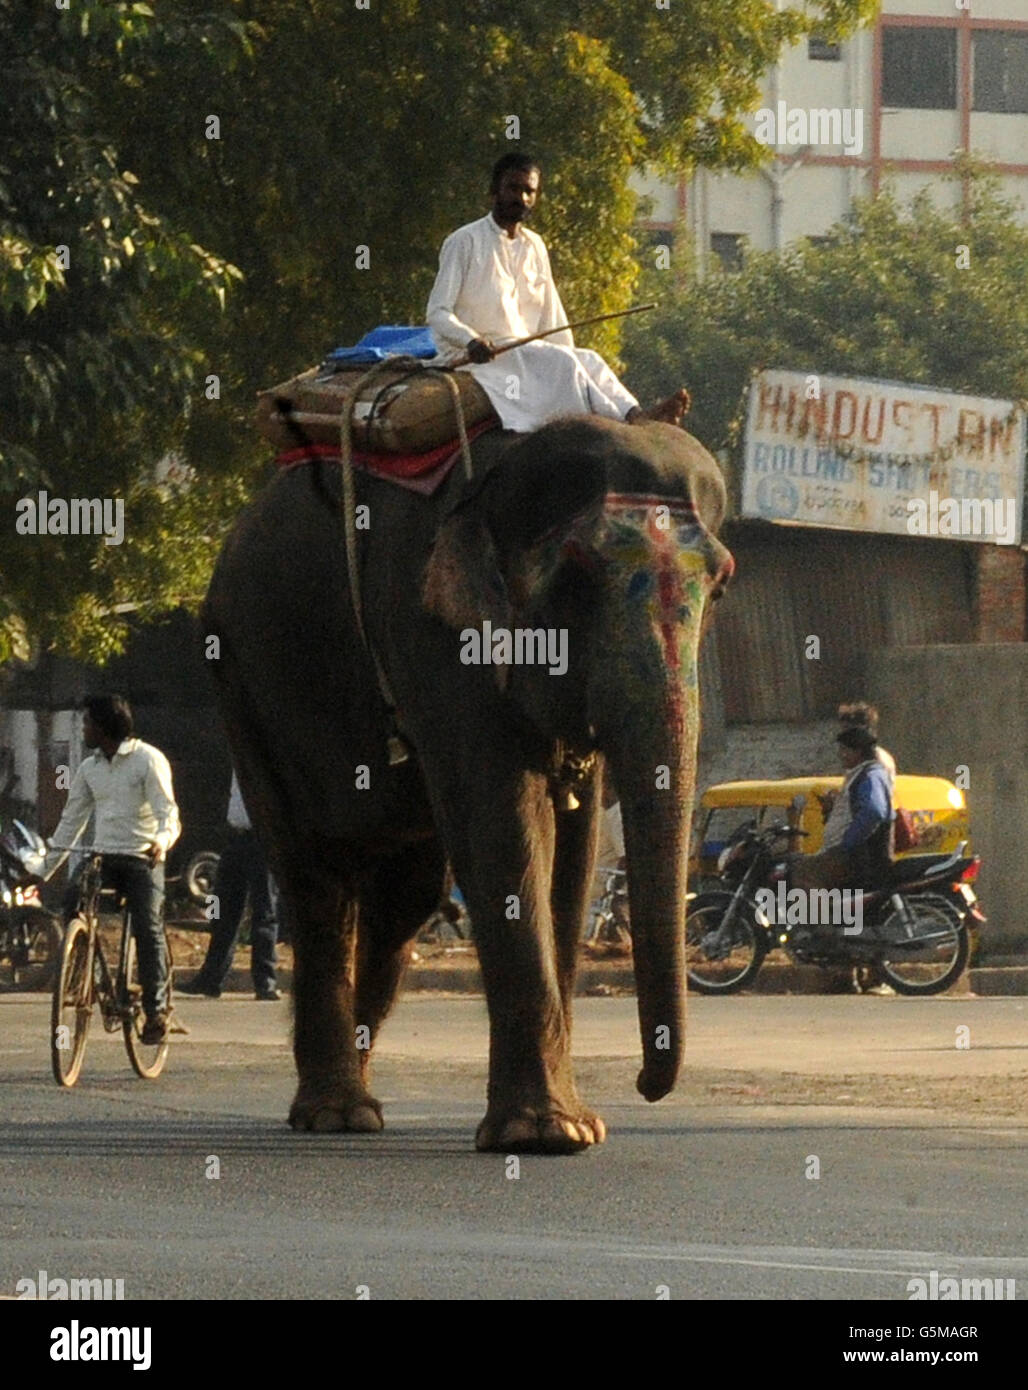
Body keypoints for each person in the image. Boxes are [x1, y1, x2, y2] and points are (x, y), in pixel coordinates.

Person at [426, 153, 690, 433]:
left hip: (525, 353)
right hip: (480, 358)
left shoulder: (535, 246)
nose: (522, 198)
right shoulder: (464, 241)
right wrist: (471, 341)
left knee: (587, 358)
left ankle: (637, 413)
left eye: (530, 191)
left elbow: (553, 320)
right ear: (494, 191)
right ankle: (628, 425)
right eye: (514, 188)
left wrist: (572, 354)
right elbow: (437, 312)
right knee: (562, 363)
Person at [44, 694, 180, 1044]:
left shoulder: (148, 760)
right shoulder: (90, 769)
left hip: (142, 857)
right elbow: (70, 822)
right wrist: (44, 870)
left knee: (147, 929)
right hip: (104, 856)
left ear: (104, 726)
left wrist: (161, 842)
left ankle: (156, 1011)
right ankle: (81, 968)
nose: (84, 728)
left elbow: (169, 815)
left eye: (88, 722)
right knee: (73, 897)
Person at [179, 770, 281, 1001]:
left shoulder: (267, 758)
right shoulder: (238, 762)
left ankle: (265, 982)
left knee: (264, 910)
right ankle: (211, 979)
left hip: (264, 838)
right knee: (222, 909)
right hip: (236, 837)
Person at [791, 724, 894, 900]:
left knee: (801, 873)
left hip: (858, 857)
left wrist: (847, 844)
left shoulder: (871, 775)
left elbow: (874, 811)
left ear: (857, 752)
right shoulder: (861, 775)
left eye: (844, 750)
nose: (841, 755)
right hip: (852, 853)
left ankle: (820, 926)